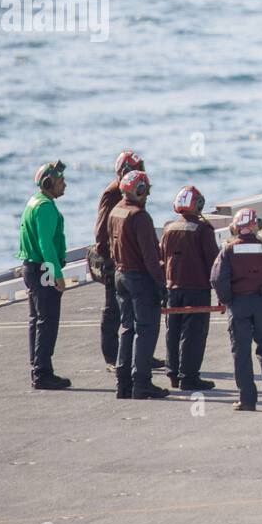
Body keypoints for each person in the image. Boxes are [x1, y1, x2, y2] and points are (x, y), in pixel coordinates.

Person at [212, 208, 262, 410]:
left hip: (238, 305)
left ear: (235, 228)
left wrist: (228, 300)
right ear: (257, 226)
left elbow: (217, 278)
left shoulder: (228, 250)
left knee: (241, 353)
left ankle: (247, 399)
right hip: (261, 303)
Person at [95, 150, 163, 371]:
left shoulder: (133, 194)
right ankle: (113, 358)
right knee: (115, 311)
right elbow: (102, 231)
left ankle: (140, 356)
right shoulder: (113, 193)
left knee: (135, 315)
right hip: (117, 262)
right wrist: (109, 257)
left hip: (125, 262)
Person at [107, 169, 169, 399]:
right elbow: (150, 256)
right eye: (146, 190)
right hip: (140, 279)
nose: (148, 195)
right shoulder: (140, 217)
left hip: (120, 275)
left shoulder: (116, 211)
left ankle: (123, 384)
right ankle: (141, 382)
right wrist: (161, 283)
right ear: (139, 190)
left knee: (127, 328)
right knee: (145, 330)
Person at [17, 160, 71, 390]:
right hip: (43, 269)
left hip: (31, 266)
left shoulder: (34, 202)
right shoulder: (45, 207)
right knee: (47, 321)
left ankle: (39, 366)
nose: (65, 185)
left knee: (37, 320)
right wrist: (57, 274)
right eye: (61, 181)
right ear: (49, 183)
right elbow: (46, 244)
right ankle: (42, 373)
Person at [160, 185, 219, 391]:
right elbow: (215, 263)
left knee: (173, 331)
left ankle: (173, 373)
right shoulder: (203, 230)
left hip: (172, 288)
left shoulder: (168, 228)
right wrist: (222, 292)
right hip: (197, 289)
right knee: (193, 333)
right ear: (199, 205)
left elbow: (162, 258)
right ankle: (189, 376)